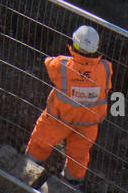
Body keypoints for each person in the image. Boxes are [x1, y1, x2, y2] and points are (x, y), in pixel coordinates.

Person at [26, 25, 112, 183]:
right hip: (88, 123)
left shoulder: (62, 65)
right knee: (79, 156)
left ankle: (29, 169)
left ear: (74, 44)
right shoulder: (106, 68)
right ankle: (72, 184)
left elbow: (48, 63)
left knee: (41, 140)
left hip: (60, 118)